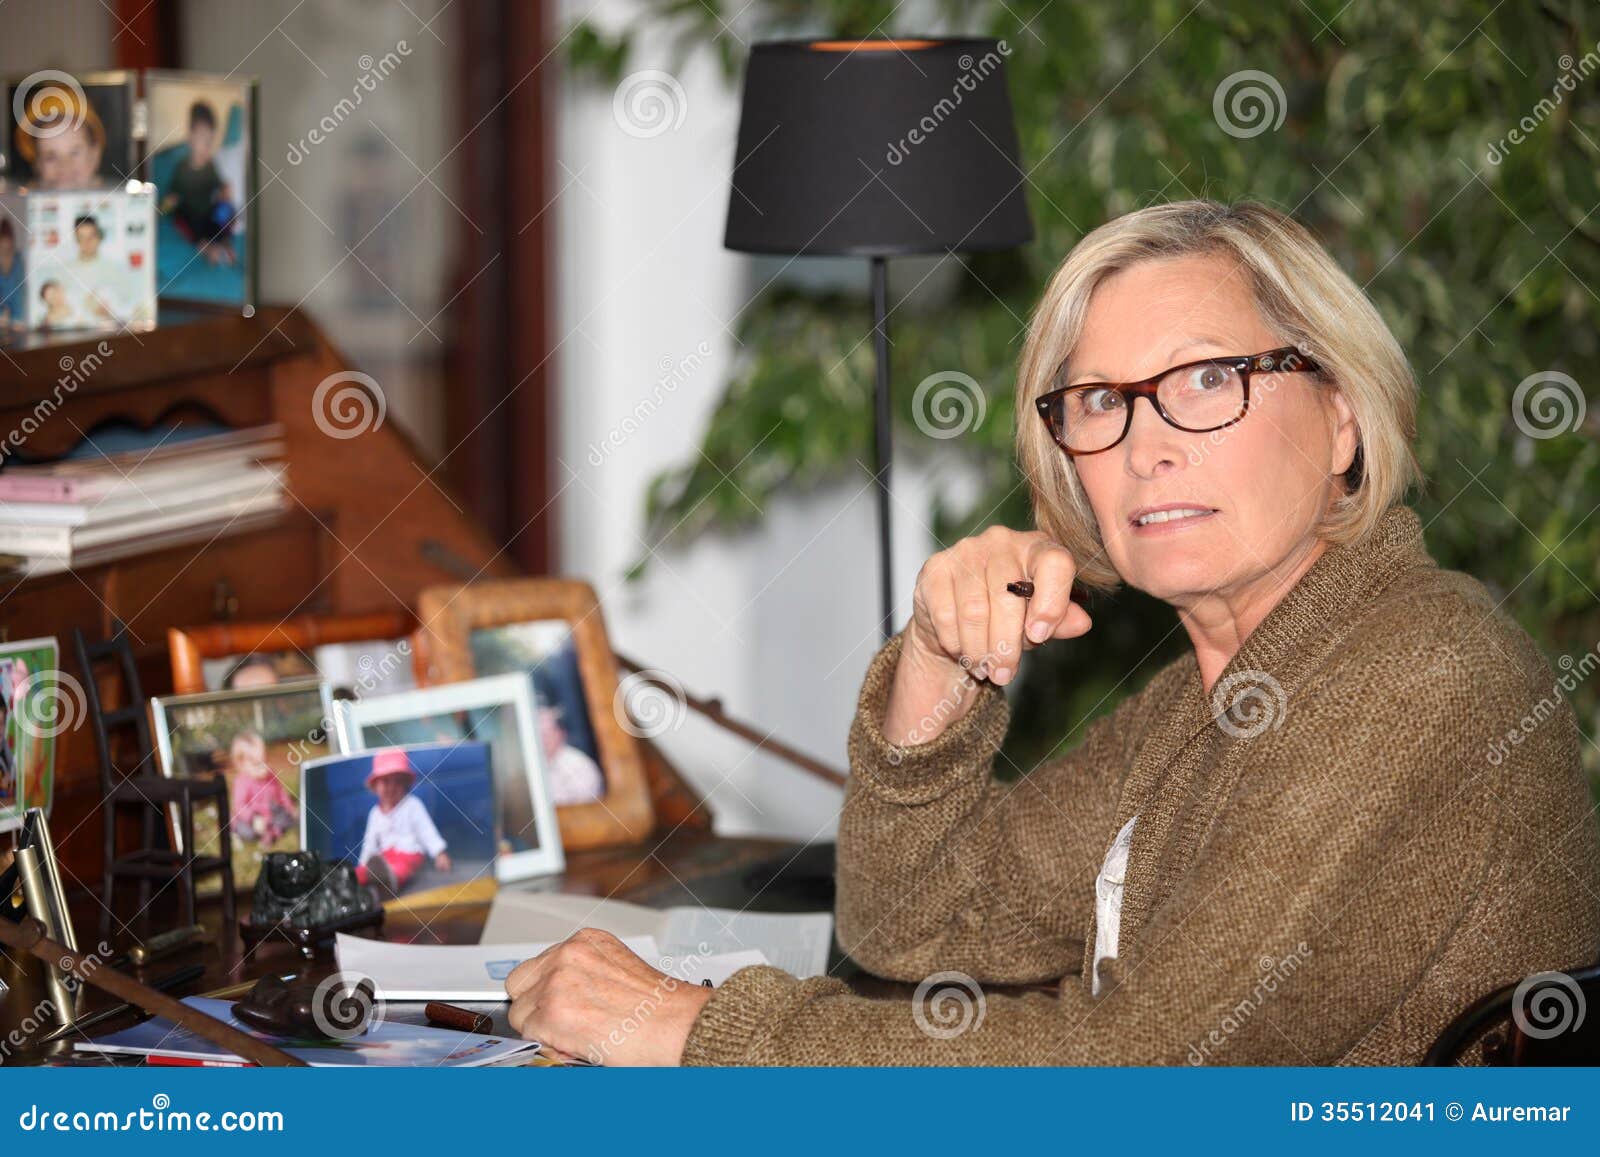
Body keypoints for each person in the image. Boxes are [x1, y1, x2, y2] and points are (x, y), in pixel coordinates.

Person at [502, 198, 1600, 1066]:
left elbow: (1152, 1062)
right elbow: (915, 927)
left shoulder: (1416, 665)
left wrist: (697, 1029)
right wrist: (936, 661)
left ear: (1342, 415)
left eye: (1207, 379)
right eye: (1098, 399)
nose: (1143, 444)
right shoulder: (1205, 699)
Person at [355, 747, 451, 895]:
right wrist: (363, 864)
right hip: (385, 858)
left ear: (405, 785)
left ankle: (389, 881)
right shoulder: (375, 814)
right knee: (363, 871)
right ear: (375, 786)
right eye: (386, 782)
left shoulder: (412, 805)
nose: (392, 787)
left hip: (410, 855)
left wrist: (439, 853)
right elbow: (370, 843)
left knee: (401, 867)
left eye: (398, 782)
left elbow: (427, 831)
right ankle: (356, 882)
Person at [159, 100, 236, 268]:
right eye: (202, 138)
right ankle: (205, 248)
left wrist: (224, 191)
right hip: (189, 215)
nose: (206, 146)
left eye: (210, 140)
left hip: (206, 213)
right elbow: (172, 197)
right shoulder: (182, 167)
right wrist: (168, 203)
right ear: (191, 137)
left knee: (226, 209)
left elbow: (219, 186)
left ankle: (224, 243)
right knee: (181, 216)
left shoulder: (210, 166)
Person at [12, 86, 108, 190]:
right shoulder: (24, 200)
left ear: (95, 155)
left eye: (75, 152)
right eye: (50, 157)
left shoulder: (117, 198)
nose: (64, 166)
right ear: (37, 164)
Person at [228, 731, 297, 846]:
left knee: (286, 817)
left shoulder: (270, 775)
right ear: (241, 764)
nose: (263, 767)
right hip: (251, 817)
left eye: (264, 762)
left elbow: (281, 793)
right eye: (256, 764)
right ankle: (237, 833)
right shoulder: (242, 781)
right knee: (246, 830)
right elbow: (239, 806)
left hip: (269, 814)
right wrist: (253, 818)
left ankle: (273, 832)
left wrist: (290, 807)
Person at [536, 698, 604, 805]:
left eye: (545, 735)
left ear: (560, 733)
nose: (541, 742)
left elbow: (584, 809)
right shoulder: (534, 766)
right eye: (538, 736)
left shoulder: (580, 766)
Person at [0, 219, 24, 329]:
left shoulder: (17, 259)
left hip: (15, 317)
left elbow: (19, 290)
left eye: (8, 240)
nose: (5, 245)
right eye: (2, 241)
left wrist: (17, 318)